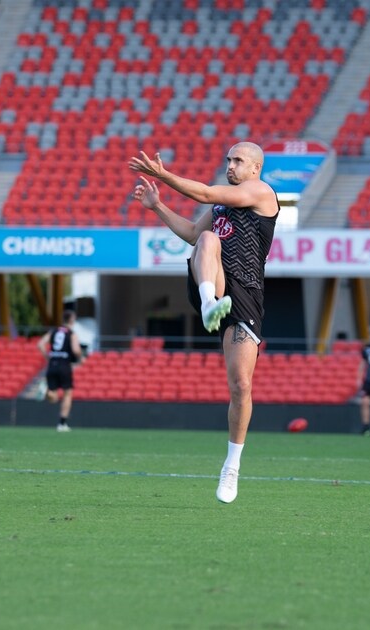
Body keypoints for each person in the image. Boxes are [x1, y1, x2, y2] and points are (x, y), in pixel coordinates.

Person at [130, 141, 279, 504]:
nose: (231, 165)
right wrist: (158, 207)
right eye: (228, 159)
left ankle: (232, 465)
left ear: (256, 167)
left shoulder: (261, 192)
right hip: (212, 284)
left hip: (245, 293)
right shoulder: (221, 207)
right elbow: (193, 235)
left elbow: (206, 191)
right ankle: (210, 302)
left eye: (238, 161)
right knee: (209, 238)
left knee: (241, 385)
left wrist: (163, 175)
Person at [38, 309, 84, 432]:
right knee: (67, 394)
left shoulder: (54, 331)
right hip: (64, 364)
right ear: (72, 320)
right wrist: (81, 358)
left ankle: (46, 391)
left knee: (53, 397)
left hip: (52, 364)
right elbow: (76, 350)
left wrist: (48, 357)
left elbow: (40, 344)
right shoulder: (71, 333)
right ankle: (62, 424)